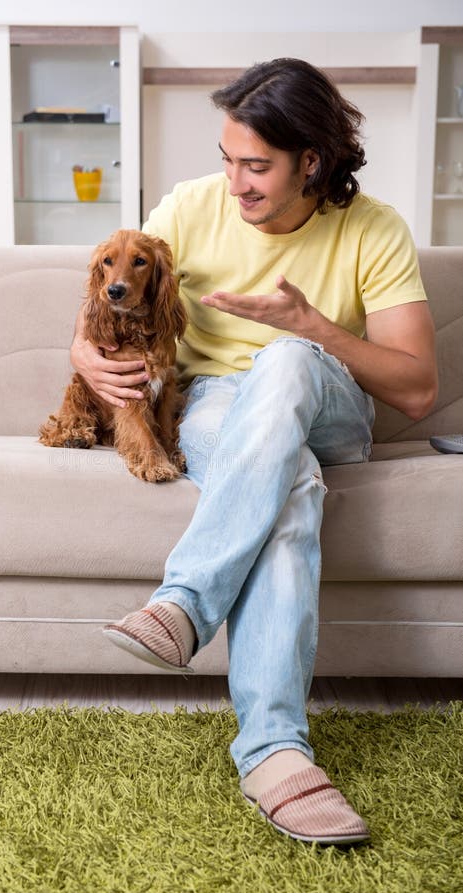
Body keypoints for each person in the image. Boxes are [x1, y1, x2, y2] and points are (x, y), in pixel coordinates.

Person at [72, 58, 438, 844]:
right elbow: (110, 288)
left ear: (311, 160)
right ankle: (274, 754)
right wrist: (81, 352)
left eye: (256, 166)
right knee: (289, 483)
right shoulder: (190, 208)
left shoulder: (373, 229)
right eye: (227, 159)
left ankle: (185, 603)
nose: (233, 184)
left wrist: (310, 327)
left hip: (324, 397)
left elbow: (413, 391)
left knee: (284, 361)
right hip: (214, 409)